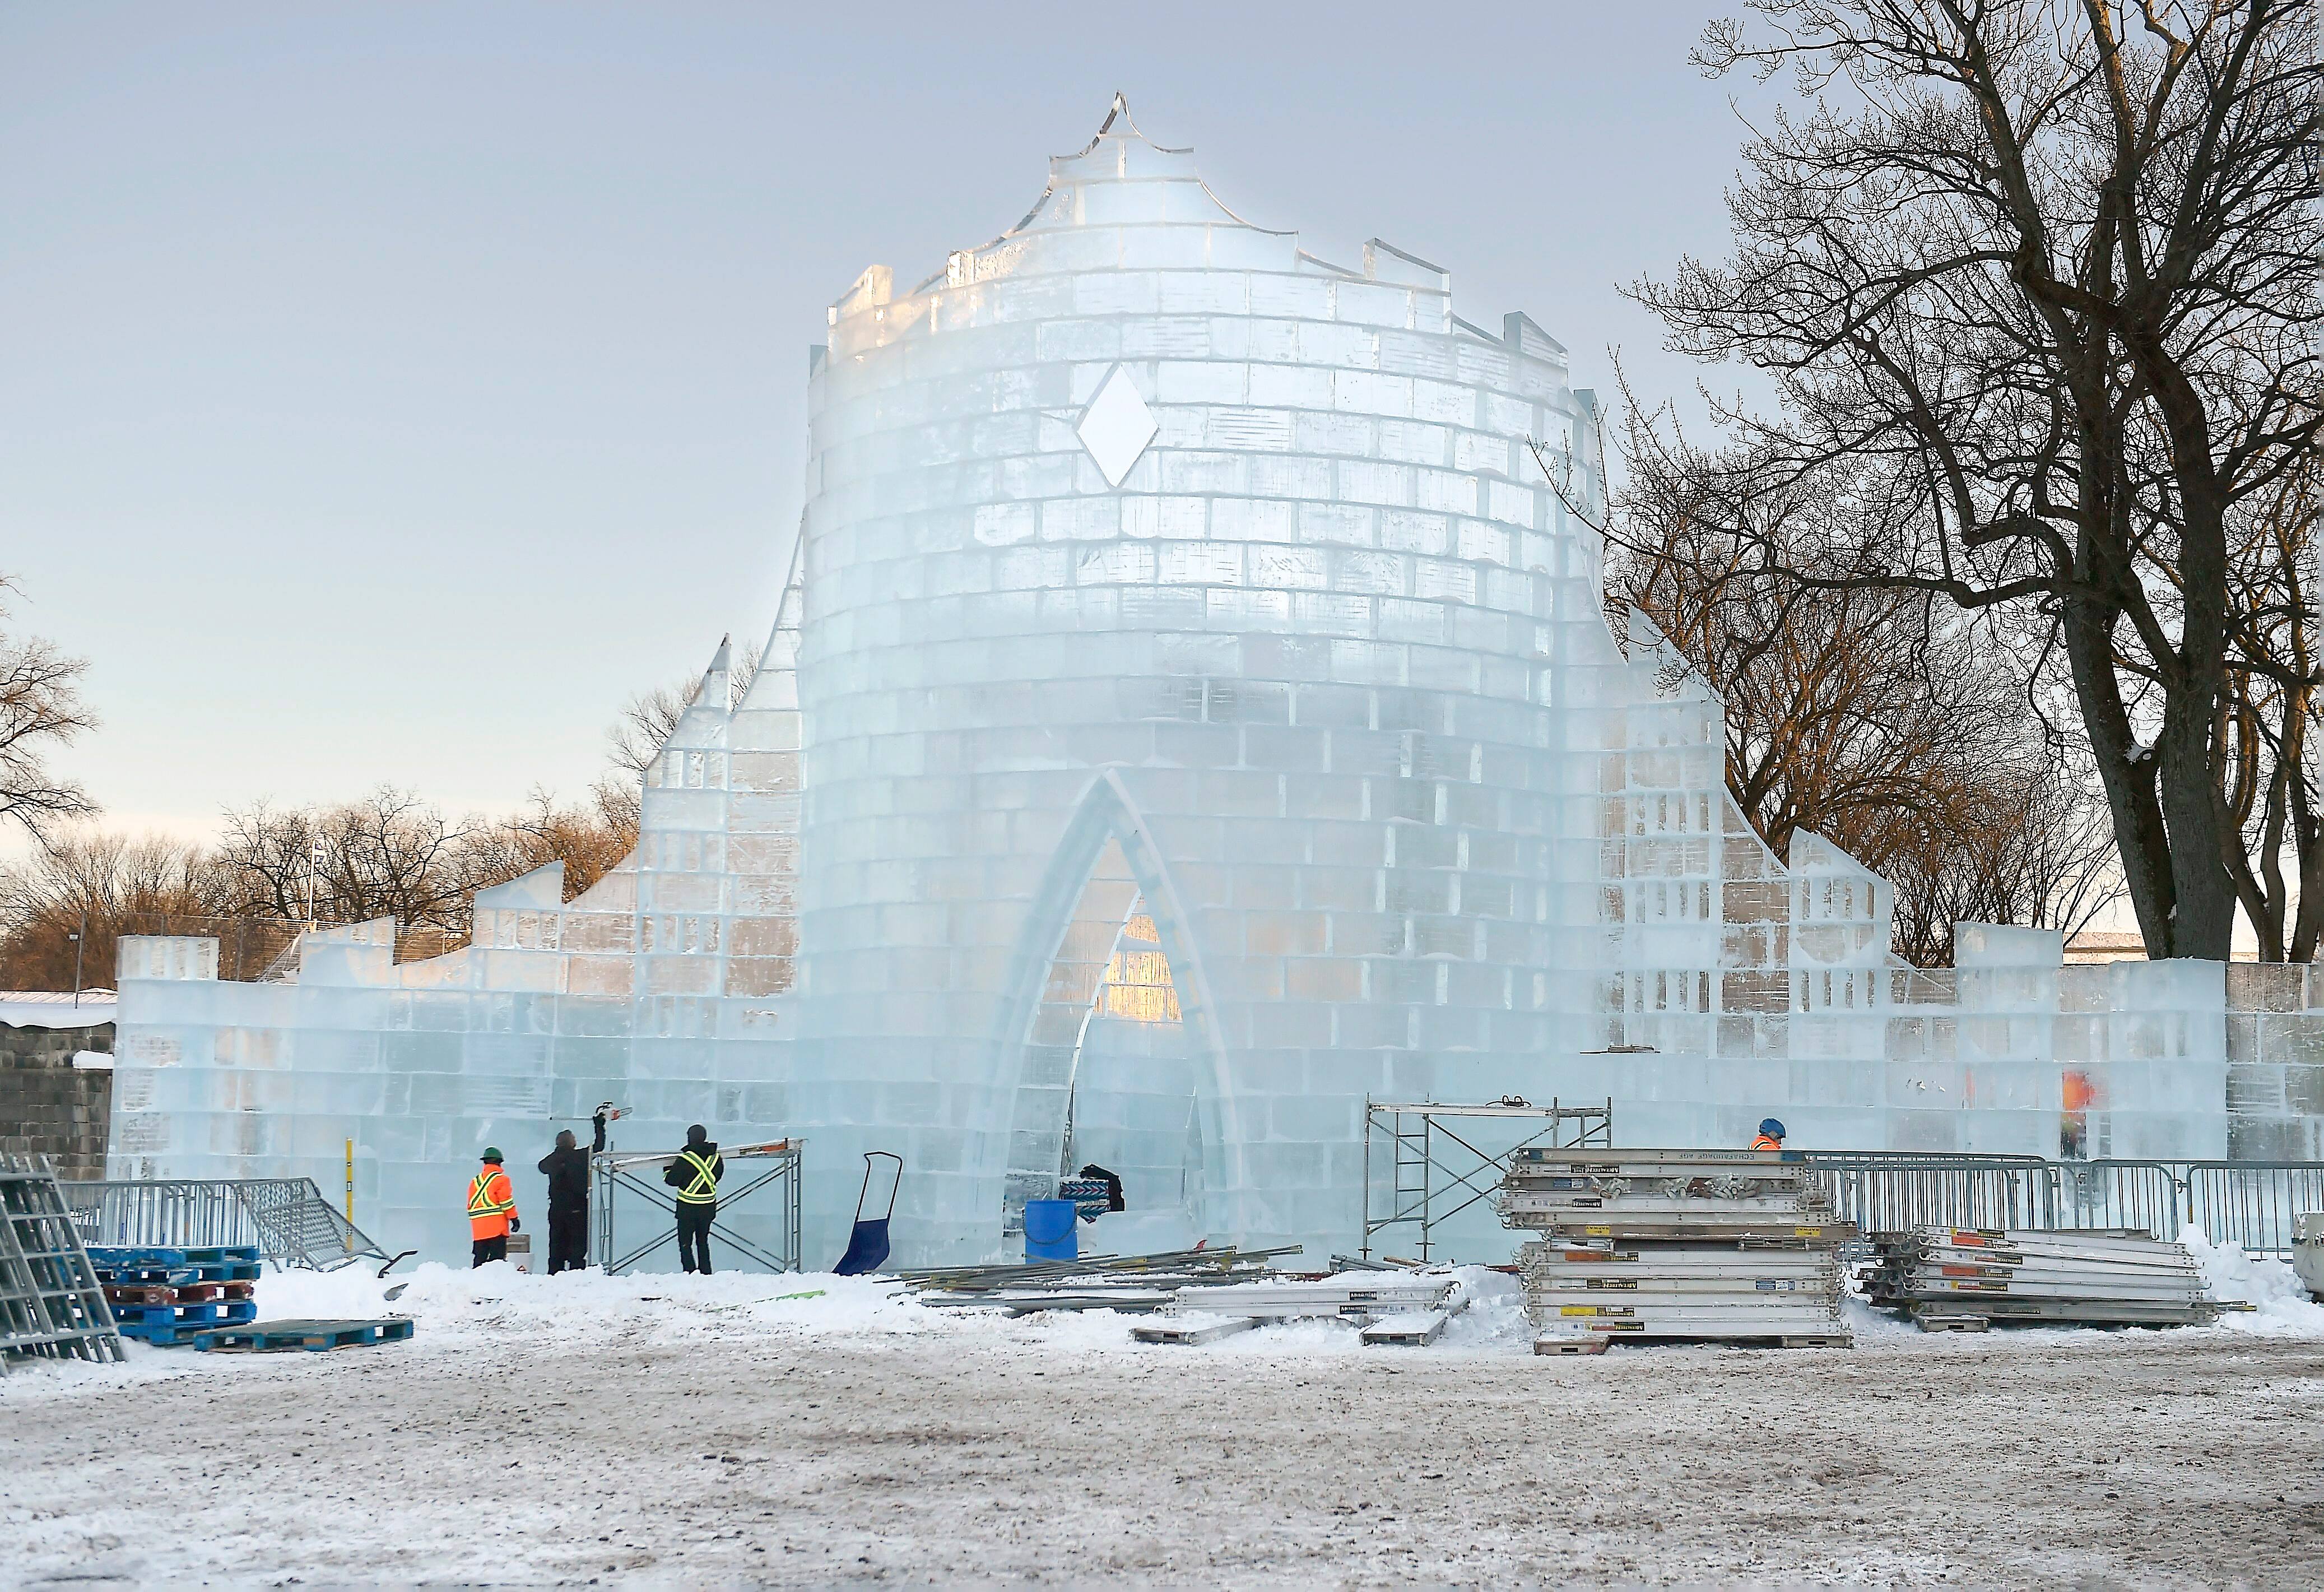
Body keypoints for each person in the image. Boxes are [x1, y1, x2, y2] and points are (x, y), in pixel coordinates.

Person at [537, 1106, 610, 1275]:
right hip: (577, 1208)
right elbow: (599, 1146)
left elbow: (542, 1167)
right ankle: (576, 1273)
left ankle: (555, 1273)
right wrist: (599, 1125)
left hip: (557, 1208)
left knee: (557, 1243)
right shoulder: (580, 1157)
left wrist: (558, 1156)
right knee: (577, 1244)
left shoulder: (553, 1160)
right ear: (572, 1143)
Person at [663, 1123, 723, 1275]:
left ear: (690, 1138)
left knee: (685, 1243)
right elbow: (718, 1176)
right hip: (708, 1207)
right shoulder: (716, 1158)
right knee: (703, 1241)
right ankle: (706, 1272)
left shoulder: (685, 1159)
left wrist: (667, 1170)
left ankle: (690, 1272)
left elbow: (671, 1180)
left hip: (687, 1209)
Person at [467, 1148, 518, 1267]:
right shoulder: (502, 1179)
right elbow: (506, 1201)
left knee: (480, 1259)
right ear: (500, 1162)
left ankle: (476, 1277)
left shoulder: (475, 1181)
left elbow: (470, 1204)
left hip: (479, 1228)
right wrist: (514, 1219)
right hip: (496, 1227)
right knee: (497, 1261)